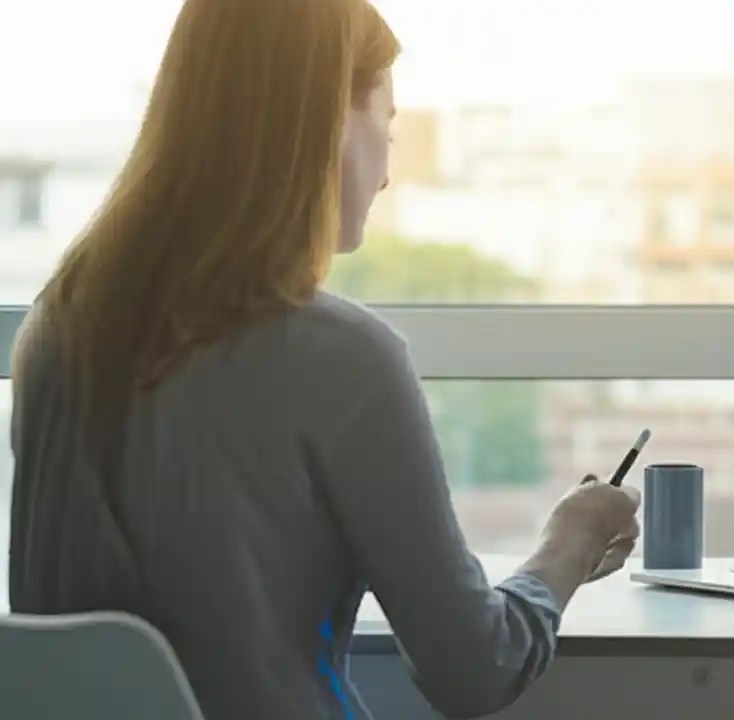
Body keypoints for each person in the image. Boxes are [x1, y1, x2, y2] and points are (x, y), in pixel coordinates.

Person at [6, 1, 641, 718]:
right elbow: (475, 668)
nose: (387, 174)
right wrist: (572, 540)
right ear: (330, 124)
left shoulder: (58, 332)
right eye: (387, 126)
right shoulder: (343, 361)